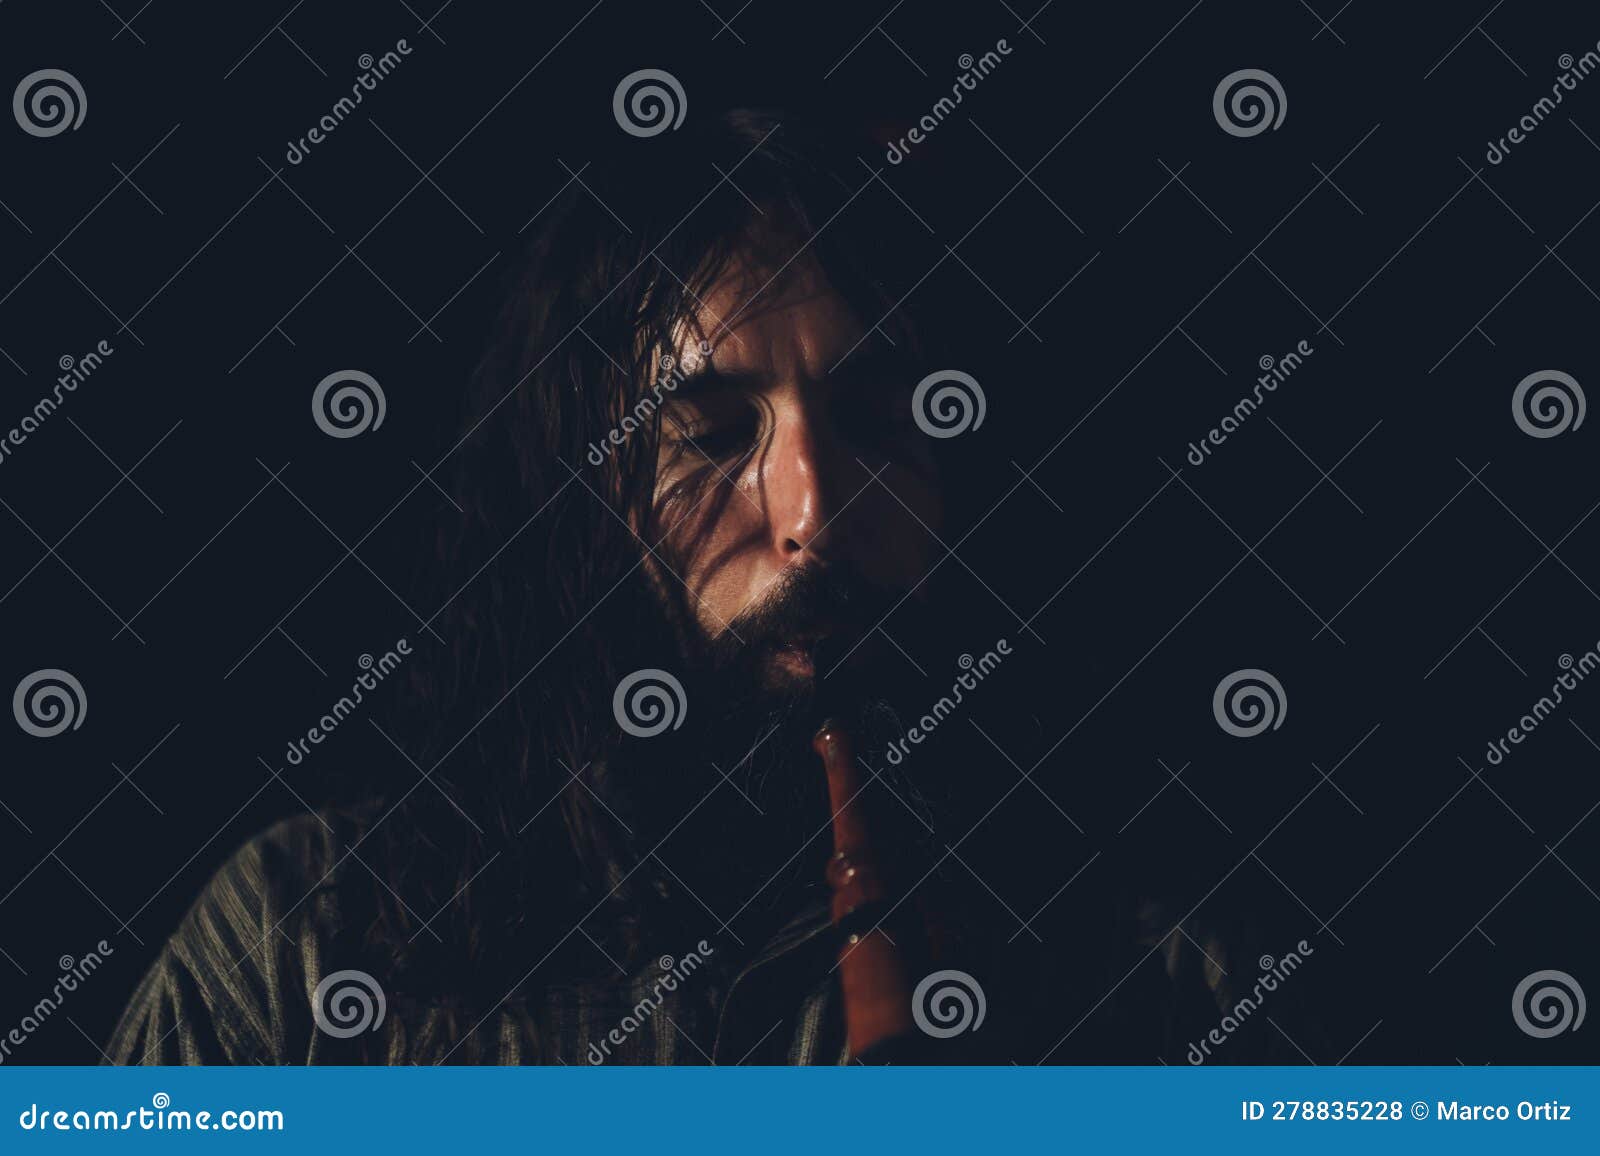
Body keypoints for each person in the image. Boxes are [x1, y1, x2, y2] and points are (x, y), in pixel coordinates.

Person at [109, 110, 1303, 1065]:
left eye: (877, 419)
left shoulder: (1171, 981)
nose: (814, 518)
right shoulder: (295, 948)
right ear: (586, 504)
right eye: (715, 437)